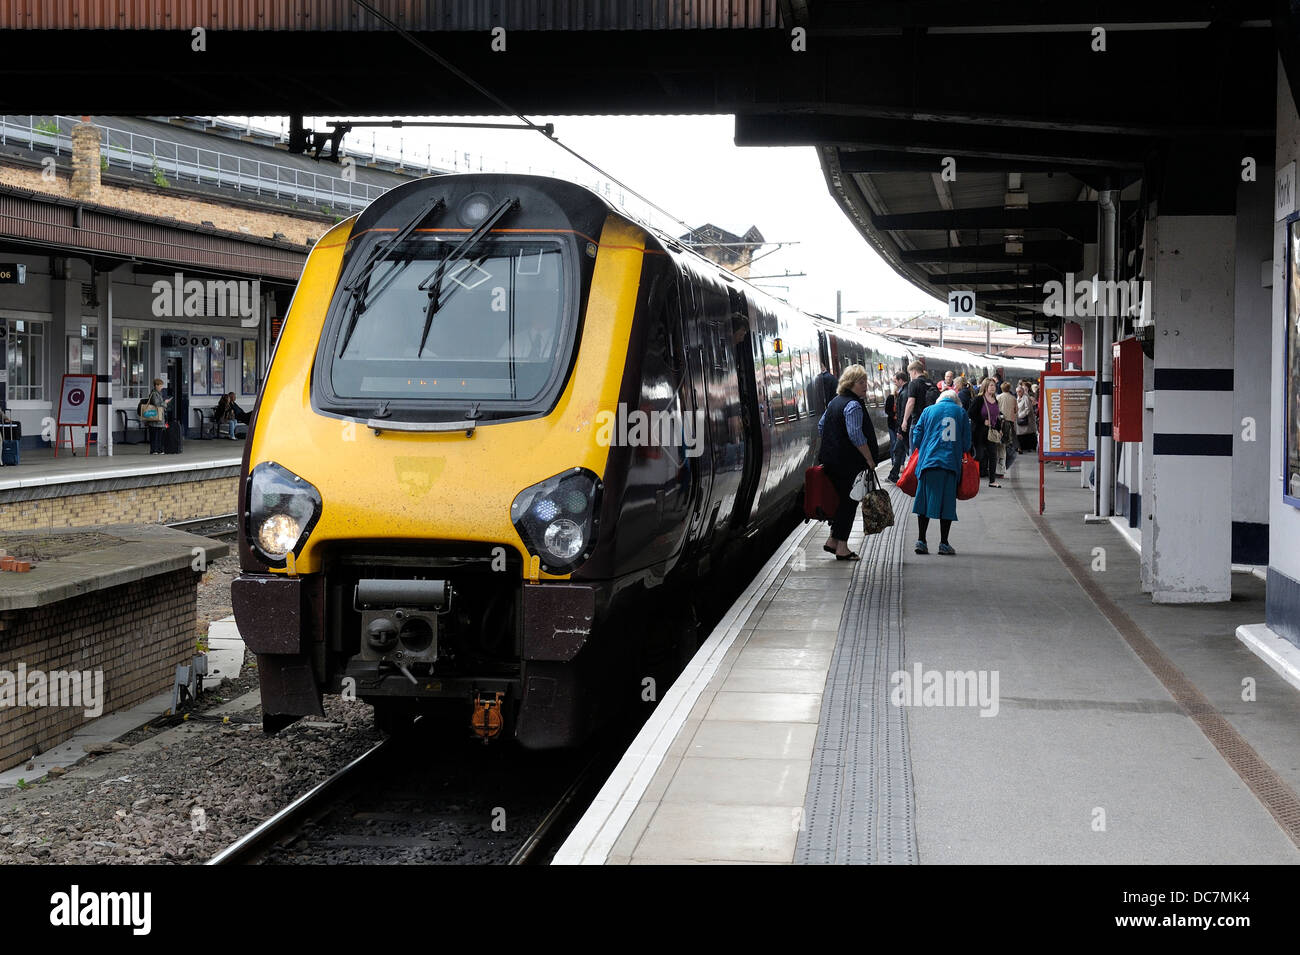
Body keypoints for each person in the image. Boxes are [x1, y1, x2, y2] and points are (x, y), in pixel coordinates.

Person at [817, 364, 877, 560]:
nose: (865, 386)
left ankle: (833, 540)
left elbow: (821, 426)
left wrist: (833, 441)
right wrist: (869, 458)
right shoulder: (853, 405)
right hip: (848, 463)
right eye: (861, 382)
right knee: (848, 504)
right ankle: (842, 547)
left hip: (832, 460)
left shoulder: (835, 402)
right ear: (850, 383)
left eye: (865, 382)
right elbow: (856, 435)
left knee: (843, 501)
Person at [910, 390, 971, 555]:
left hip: (928, 463)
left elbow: (916, 437)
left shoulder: (928, 410)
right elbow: (966, 444)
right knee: (947, 504)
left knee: (923, 502)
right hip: (950, 464)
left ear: (940, 399)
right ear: (955, 400)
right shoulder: (961, 412)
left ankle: (921, 541)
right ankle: (944, 543)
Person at [889, 360, 934, 482]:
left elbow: (911, 402)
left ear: (913, 371)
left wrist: (904, 421)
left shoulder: (914, 383)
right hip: (930, 424)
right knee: (927, 451)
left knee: (914, 453)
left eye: (910, 373)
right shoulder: (931, 383)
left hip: (917, 423)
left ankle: (917, 479)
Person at [973, 378, 1003, 486]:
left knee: (993, 455)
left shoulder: (995, 400)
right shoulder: (979, 399)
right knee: (979, 455)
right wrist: (983, 421)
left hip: (992, 432)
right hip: (980, 431)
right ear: (985, 386)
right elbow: (970, 413)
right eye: (991, 385)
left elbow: (997, 416)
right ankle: (972, 477)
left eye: (994, 386)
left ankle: (992, 481)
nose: (993, 388)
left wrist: (999, 429)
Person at [145, 378, 170, 455]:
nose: (161, 387)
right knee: (154, 435)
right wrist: (165, 402)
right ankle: (154, 450)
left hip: (159, 418)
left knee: (159, 435)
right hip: (154, 418)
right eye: (160, 385)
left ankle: (159, 449)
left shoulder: (159, 393)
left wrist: (163, 403)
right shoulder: (154, 394)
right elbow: (156, 403)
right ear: (156, 385)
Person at [997, 381, 1018, 471]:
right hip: (1010, 423)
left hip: (1000, 422)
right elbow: (1016, 410)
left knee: (1000, 445)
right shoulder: (1013, 398)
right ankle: (1006, 464)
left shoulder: (998, 397)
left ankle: (1000, 466)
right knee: (1008, 445)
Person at [884, 371, 906, 453]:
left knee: (900, 444)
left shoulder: (903, 395)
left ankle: (900, 464)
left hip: (899, 424)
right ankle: (895, 463)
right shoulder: (891, 397)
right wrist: (894, 415)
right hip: (892, 424)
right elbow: (887, 410)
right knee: (894, 443)